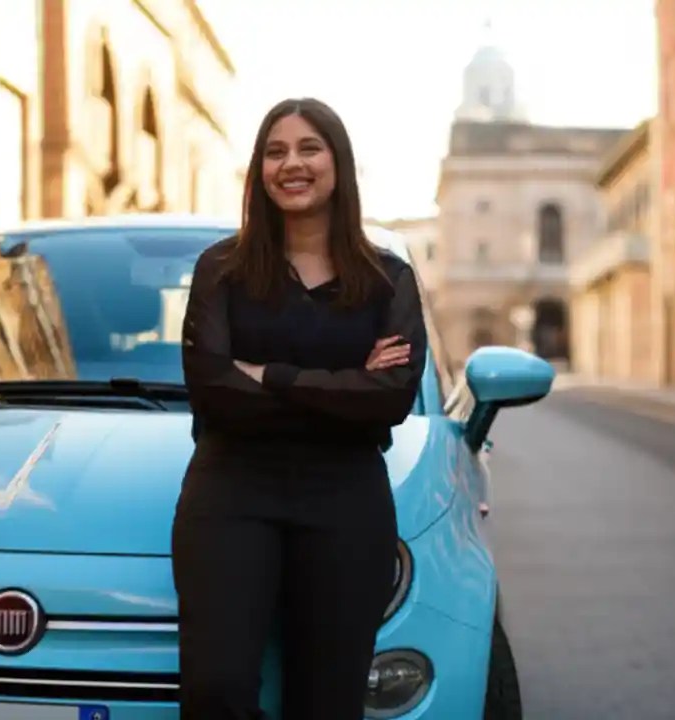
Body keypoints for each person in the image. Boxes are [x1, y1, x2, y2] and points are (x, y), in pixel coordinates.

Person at [171, 96, 428, 719]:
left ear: (338, 162)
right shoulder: (222, 270)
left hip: (345, 503)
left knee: (328, 703)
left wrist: (271, 375)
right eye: (275, 151)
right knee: (218, 693)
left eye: (309, 148)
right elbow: (212, 389)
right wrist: (344, 388)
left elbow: (390, 399)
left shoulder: (387, 279)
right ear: (259, 170)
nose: (292, 164)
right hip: (232, 495)